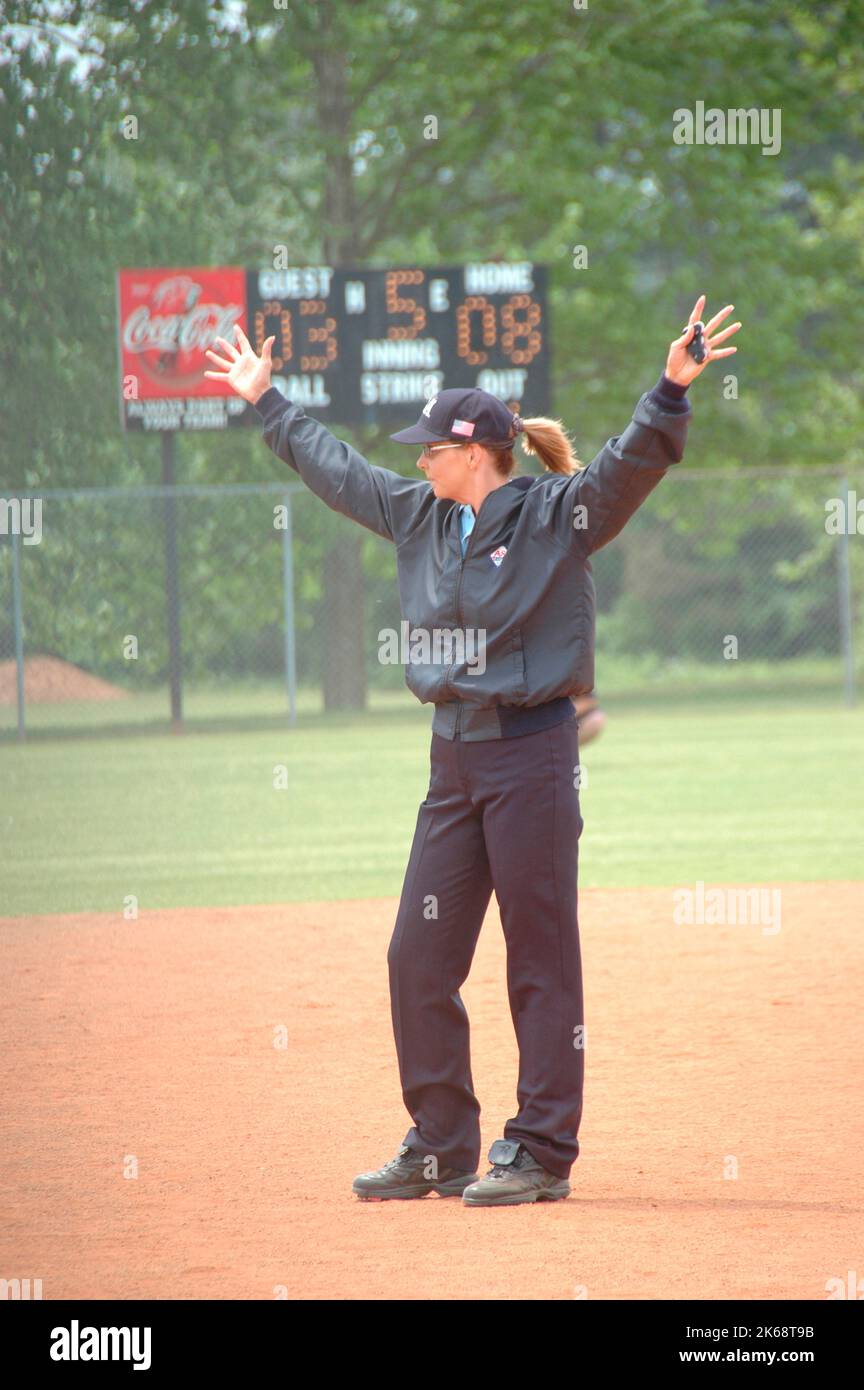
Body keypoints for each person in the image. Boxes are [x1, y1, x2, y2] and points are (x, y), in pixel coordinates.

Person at [205, 294, 741, 1207]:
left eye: (433, 445)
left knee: (538, 961)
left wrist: (668, 391)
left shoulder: (550, 517)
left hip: (532, 755)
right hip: (451, 763)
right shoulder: (421, 517)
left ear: (479, 453)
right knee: (415, 957)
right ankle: (443, 1143)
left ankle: (539, 1151)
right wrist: (270, 402)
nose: (418, 457)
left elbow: (622, 474)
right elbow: (340, 473)